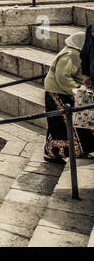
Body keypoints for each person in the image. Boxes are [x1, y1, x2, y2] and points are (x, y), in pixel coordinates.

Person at [43, 32, 89, 163]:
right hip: (58, 92)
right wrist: (78, 90)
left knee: (79, 121)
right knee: (61, 124)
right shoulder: (71, 54)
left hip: (70, 92)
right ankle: (53, 152)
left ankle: (81, 150)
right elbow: (62, 77)